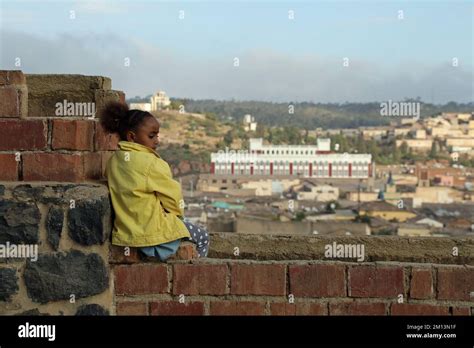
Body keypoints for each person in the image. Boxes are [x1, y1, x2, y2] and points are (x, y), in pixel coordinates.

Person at [99, 101, 209, 260]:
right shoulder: (153, 164)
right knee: (203, 237)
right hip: (154, 236)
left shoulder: (113, 162)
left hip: (126, 233)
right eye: (151, 136)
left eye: (157, 135)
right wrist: (177, 218)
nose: (156, 141)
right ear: (132, 136)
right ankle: (199, 274)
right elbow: (173, 197)